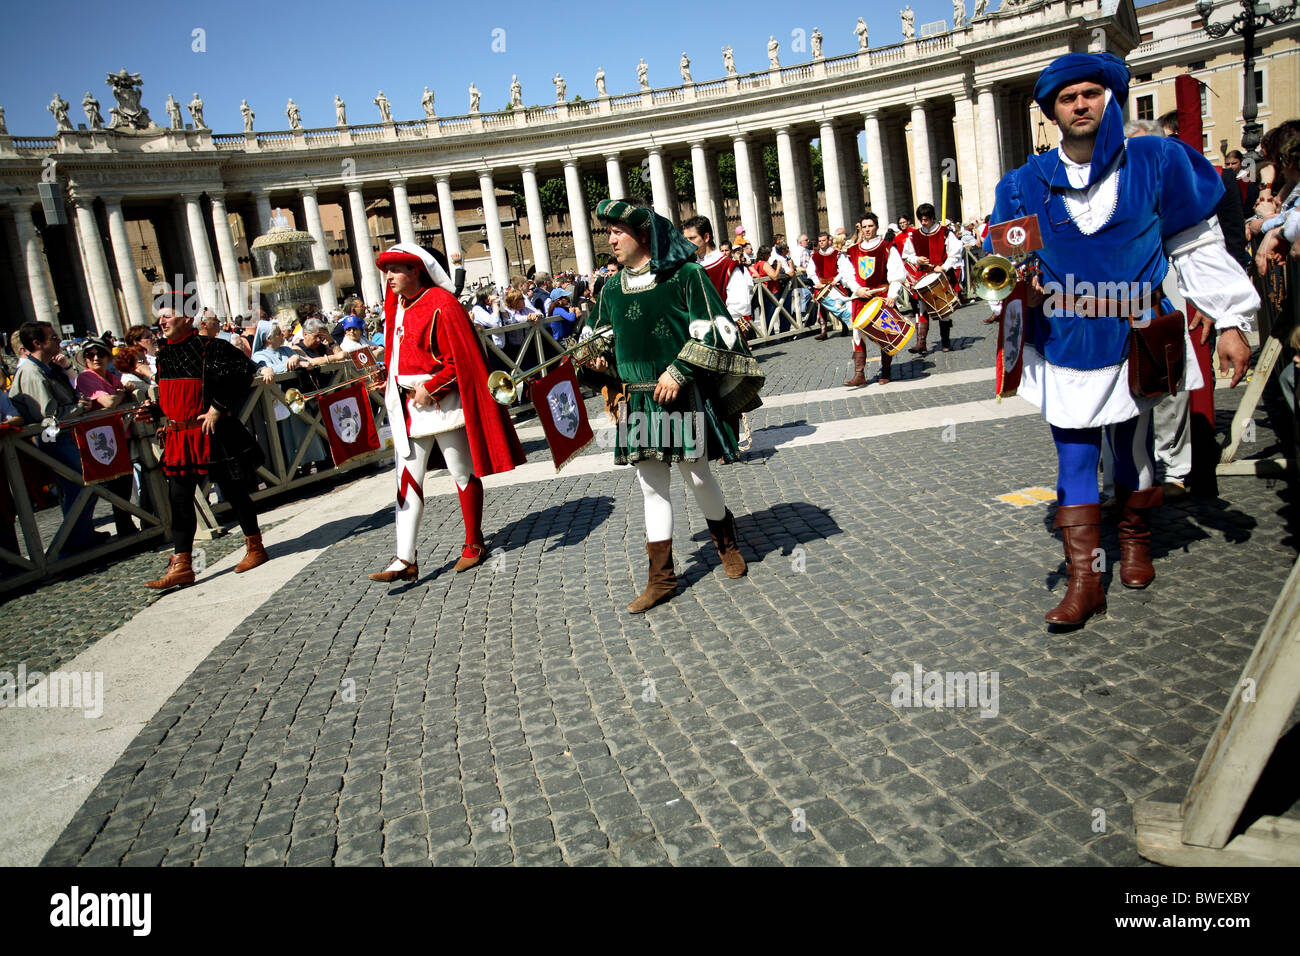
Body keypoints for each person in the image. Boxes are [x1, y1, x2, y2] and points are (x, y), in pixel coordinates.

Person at [987, 51, 1257, 628]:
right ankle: (1086, 580)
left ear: (1109, 96)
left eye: (1091, 93)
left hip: (1138, 334)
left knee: (1135, 451)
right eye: (1067, 98)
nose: (1080, 104)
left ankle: (1135, 541)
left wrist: (1231, 320)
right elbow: (1002, 266)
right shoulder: (1022, 185)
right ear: (1050, 113)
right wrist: (1016, 291)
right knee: (1075, 455)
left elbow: (1197, 247)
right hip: (1064, 338)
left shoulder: (1157, 160)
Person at [579, 200, 764, 613]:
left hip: (679, 395)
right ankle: (661, 578)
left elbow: (719, 329)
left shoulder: (687, 274)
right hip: (638, 398)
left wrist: (680, 369)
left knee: (696, 476)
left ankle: (725, 540)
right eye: (607, 233)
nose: (609, 240)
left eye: (616, 232)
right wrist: (593, 355)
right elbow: (598, 334)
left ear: (643, 235)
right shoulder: (611, 287)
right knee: (651, 485)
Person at [369, 242, 526, 583]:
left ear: (416, 271)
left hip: (444, 406)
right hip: (407, 407)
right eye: (387, 270)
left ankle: (474, 542)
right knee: (407, 479)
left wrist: (431, 388)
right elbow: (400, 354)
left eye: (396, 269)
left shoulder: (443, 304)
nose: (389, 277)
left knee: (461, 472)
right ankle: (404, 558)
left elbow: (461, 362)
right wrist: (389, 377)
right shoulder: (398, 305)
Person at [143, 306, 268, 589]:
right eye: (160, 316)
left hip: (212, 433)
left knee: (235, 493)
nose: (162, 321)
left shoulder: (211, 347)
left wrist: (217, 408)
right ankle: (182, 565)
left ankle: (255, 547)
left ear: (187, 318)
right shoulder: (163, 353)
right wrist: (155, 411)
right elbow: (170, 393)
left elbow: (243, 372)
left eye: (168, 315)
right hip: (179, 437)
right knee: (179, 500)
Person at [8, 321, 101, 554]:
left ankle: (81, 537)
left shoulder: (45, 367)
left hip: (62, 436)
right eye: (53, 338)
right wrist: (79, 406)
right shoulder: (31, 371)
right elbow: (49, 416)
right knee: (84, 485)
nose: (59, 340)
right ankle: (65, 547)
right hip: (53, 439)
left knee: (78, 488)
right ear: (37, 343)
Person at [74, 339, 138, 538]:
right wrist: (120, 393)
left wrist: (120, 394)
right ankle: (123, 528)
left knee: (126, 482)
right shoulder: (86, 377)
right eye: (90, 355)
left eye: (100, 354)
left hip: (121, 433)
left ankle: (128, 525)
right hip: (102, 439)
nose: (95, 358)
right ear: (84, 359)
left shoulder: (111, 376)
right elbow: (109, 402)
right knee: (114, 486)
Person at [840, 213, 907, 387]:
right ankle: (859, 374)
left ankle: (885, 371)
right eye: (864, 227)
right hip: (861, 297)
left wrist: (892, 294)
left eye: (870, 226)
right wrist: (857, 289)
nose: (867, 229)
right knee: (857, 333)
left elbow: (897, 274)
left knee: (884, 332)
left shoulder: (886, 247)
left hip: (880, 296)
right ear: (860, 228)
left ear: (876, 226)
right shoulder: (853, 250)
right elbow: (848, 275)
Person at [903, 203, 964, 354]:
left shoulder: (945, 232)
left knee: (944, 309)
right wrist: (916, 259)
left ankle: (945, 341)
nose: (923, 223)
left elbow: (955, 252)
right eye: (921, 220)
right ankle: (921, 343)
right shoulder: (915, 236)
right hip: (924, 276)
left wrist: (943, 267)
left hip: (942, 275)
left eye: (926, 219)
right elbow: (907, 254)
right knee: (922, 308)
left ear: (932, 218)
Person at [680, 215, 753, 335]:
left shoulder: (728, 266)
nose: (687, 243)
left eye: (692, 238)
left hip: (725, 334)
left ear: (706, 237)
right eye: (685, 239)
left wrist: (714, 328)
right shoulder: (689, 267)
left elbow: (740, 305)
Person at [809, 231, 851, 341]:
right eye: (819, 241)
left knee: (838, 306)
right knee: (822, 307)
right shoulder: (815, 256)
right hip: (821, 285)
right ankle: (823, 331)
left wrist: (836, 280)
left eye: (823, 240)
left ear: (828, 240)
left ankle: (845, 326)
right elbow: (811, 271)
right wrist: (816, 282)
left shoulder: (837, 254)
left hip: (834, 285)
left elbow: (843, 269)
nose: (821, 243)